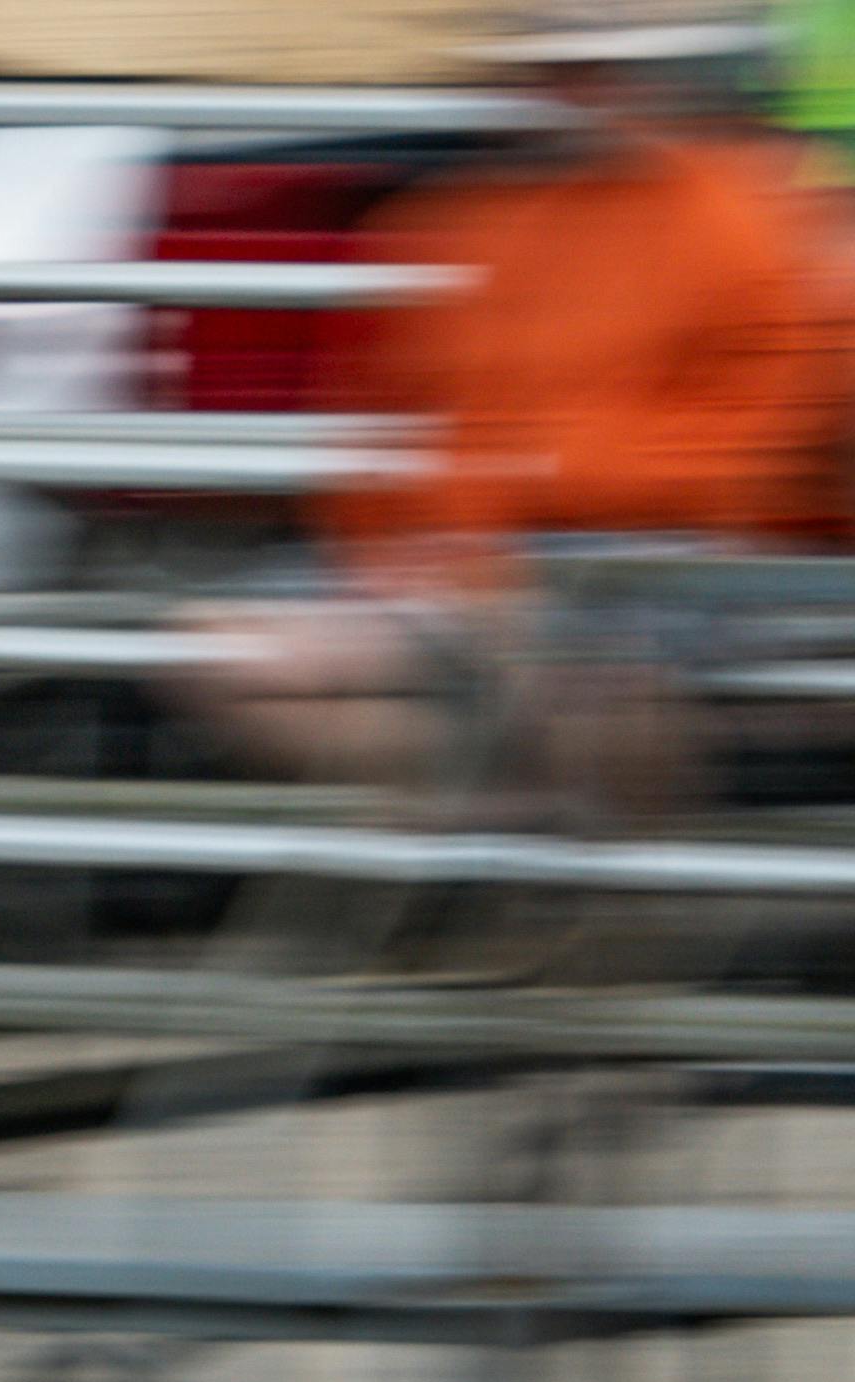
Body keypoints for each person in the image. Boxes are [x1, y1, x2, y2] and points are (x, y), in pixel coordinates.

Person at [197, 9, 853, 812]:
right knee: (239, 651)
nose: (561, 91)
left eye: (587, 68)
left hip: (658, 567)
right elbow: (386, 428)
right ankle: (510, 848)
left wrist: (498, 536)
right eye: (549, 67)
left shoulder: (764, 214)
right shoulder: (450, 224)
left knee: (568, 665)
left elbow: (756, 455)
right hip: (487, 565)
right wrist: (405, 544)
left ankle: (538, 865)